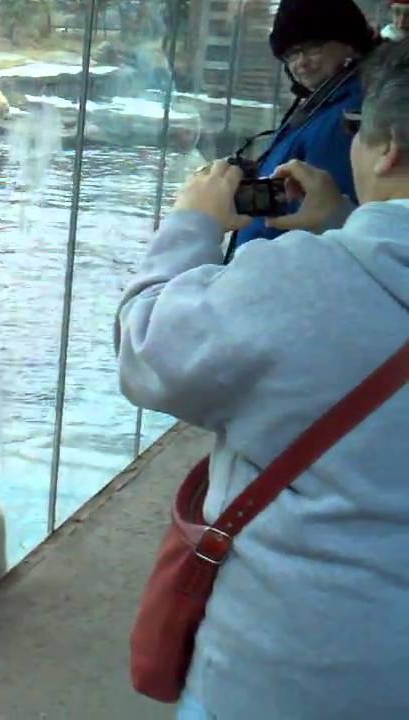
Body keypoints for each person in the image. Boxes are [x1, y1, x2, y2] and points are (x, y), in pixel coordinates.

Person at [114, 38, 409, 720]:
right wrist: (341, 220)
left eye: (357, 132)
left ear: (389, 150)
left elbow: (145, 349)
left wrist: (192, 224)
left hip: (284, 674)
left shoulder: (294, 283)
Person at [226, 0, 377, 258]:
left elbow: (317, 203)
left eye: (313, 48)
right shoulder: (323, 103)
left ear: (350, 43)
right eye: (291, 55)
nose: (301, 63)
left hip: (284, 270)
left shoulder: (349, 116)